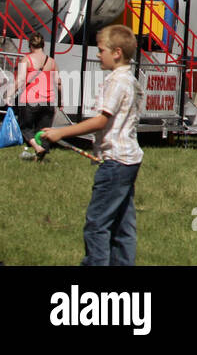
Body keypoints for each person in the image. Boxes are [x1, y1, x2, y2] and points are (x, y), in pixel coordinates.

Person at [37, 25, 143, 265]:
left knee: (97, 223)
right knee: (122, 224)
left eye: (101, 50)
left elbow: (100, 120)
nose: (98, 54)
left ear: (117, 52)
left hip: (115, 162)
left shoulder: (116, 82)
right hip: (129, 160)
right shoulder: (130, 79)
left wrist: (60, 132)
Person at [16, 32, 58, 158]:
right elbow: (58, 83)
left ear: (30, 45)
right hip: (49, 101)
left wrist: (8, 94)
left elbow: (21, 79)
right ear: (43, 45)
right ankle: (40, 158)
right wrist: (61, 101)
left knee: (25, 128)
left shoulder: (26, 59)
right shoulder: (51, 62)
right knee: (43, 131)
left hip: (30, 100)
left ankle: (37, 147)